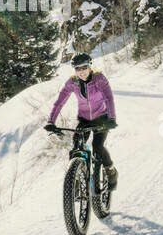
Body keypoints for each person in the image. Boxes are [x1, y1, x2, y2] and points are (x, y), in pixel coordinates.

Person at [44, 53, 118, 189]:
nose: (81, 71)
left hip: (102, 118)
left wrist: (112, 118)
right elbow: (59, 102)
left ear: (90, 66)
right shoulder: (72, 83)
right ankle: (75, 177)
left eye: (84, 67)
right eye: (78, 69)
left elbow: (109, 98)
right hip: (84, 119)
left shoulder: (99, 79)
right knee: (76, 147)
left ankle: (110, 170)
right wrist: (51, 121)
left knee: (98, 147)